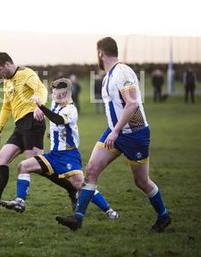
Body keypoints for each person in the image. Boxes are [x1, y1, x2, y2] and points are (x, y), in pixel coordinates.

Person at [55, 37, 171, 232]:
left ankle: (164, 216)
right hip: (114, 132)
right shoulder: (109, 75)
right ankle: (78, 219)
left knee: (141, 181)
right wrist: (114, 130)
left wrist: (116, 131)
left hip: (134, 134)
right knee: (91, 170)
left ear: (100, 53)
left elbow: (132, 103)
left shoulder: (123, 72)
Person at [0, 52, 80, 212]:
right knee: (1, 160)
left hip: (33, 122)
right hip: (20, 127)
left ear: (8, 64)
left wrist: (40, 107)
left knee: (36, 165)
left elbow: (41, 90)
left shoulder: (26, 74)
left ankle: (71, 190)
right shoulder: (7, 83)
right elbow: (6, 107)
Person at [0, 79, 119, 219]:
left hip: (69, 156)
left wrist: (40, 106)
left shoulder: (71, 109)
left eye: (57, 94)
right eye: (53, 93)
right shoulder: (55, 103)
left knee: (82, 185)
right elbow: (54, 120)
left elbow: (58, 119)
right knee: (23, 166)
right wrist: (51, 131)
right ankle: (20, 201)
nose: (54, 97)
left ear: (65, 94)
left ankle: (109, 211)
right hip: (54, 156)